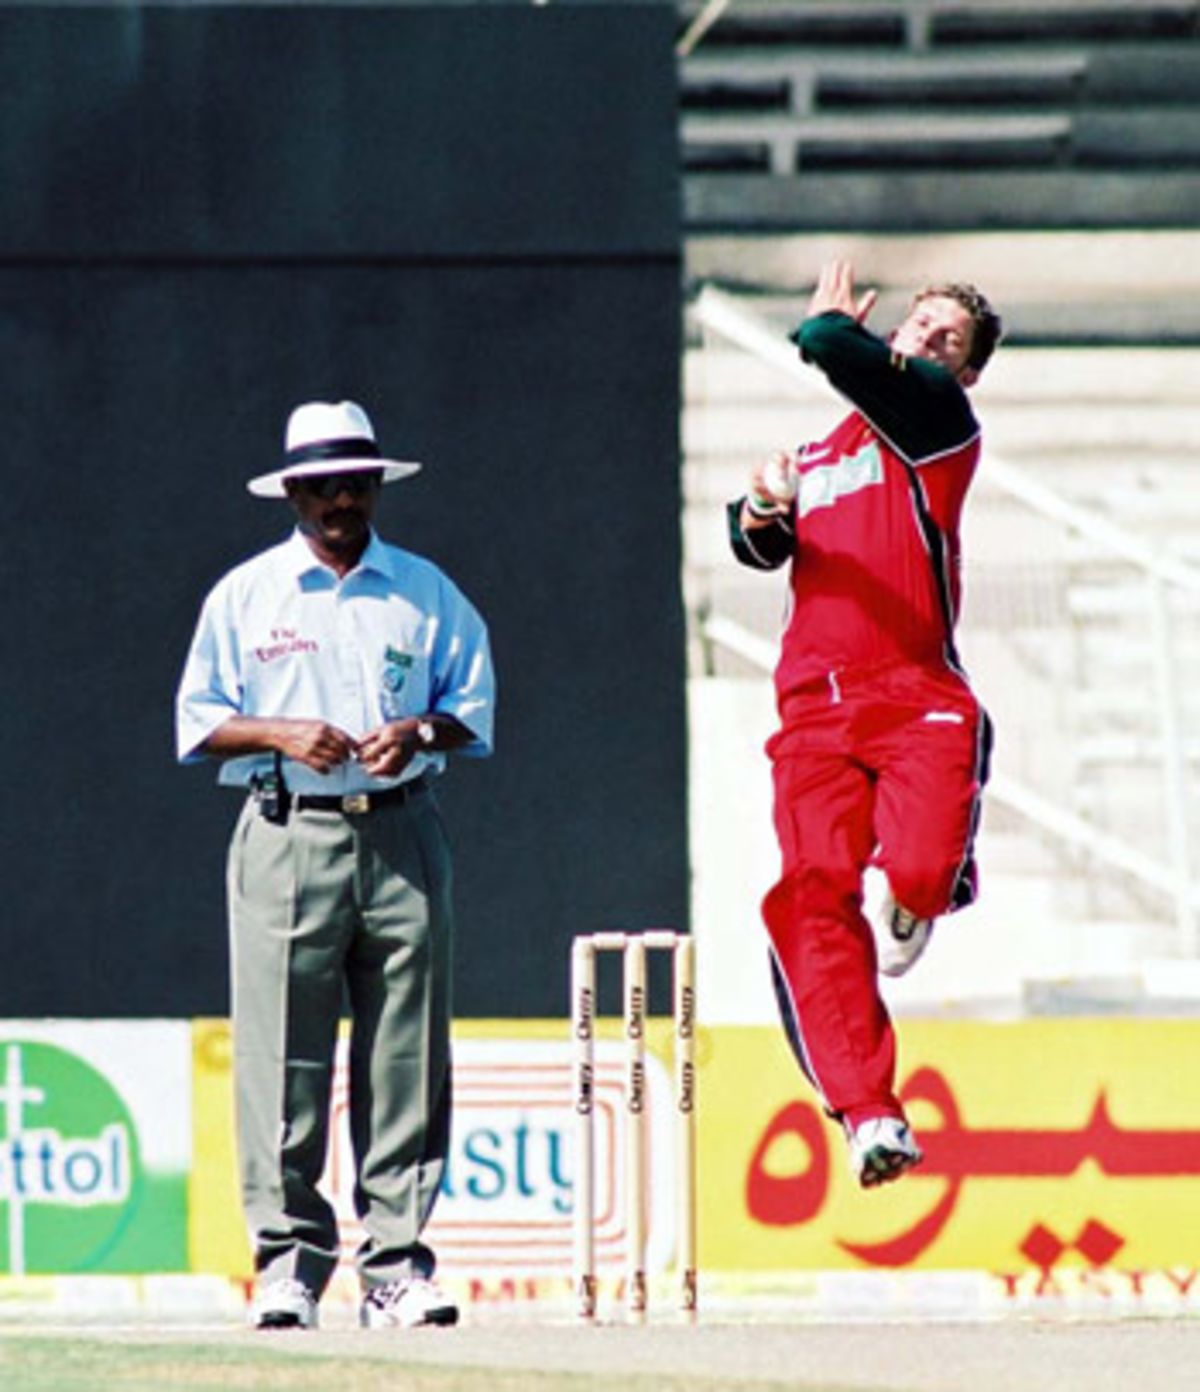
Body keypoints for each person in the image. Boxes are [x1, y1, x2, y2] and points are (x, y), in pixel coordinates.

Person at [176, 399, 495, 1328]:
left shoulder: (423, 591)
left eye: (353, 483)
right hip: (286, 830)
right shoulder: (247, 594)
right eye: (320, 486)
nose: (338, 500)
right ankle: (289, 1263)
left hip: (401, 830)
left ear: (374, 487)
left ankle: (394, 1263)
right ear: (292, 494)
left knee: (407, 1052)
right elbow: (200, 720)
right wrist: (281, 732)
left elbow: (468, 705)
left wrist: (418, 730)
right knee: (282, 1054)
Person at [728, 260, 1001, 1188]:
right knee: (810, 890)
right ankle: (868, 1114)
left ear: (963, 373)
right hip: (814, 708)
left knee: (918, 870)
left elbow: (825, 345)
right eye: (919, 325)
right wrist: (765, 506)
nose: (925, 339)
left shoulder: (940, 426)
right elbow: (755, 541)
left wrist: (823, 333)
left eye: (947, 339)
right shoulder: (819, 454)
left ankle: (929, 888)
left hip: (916, 693)